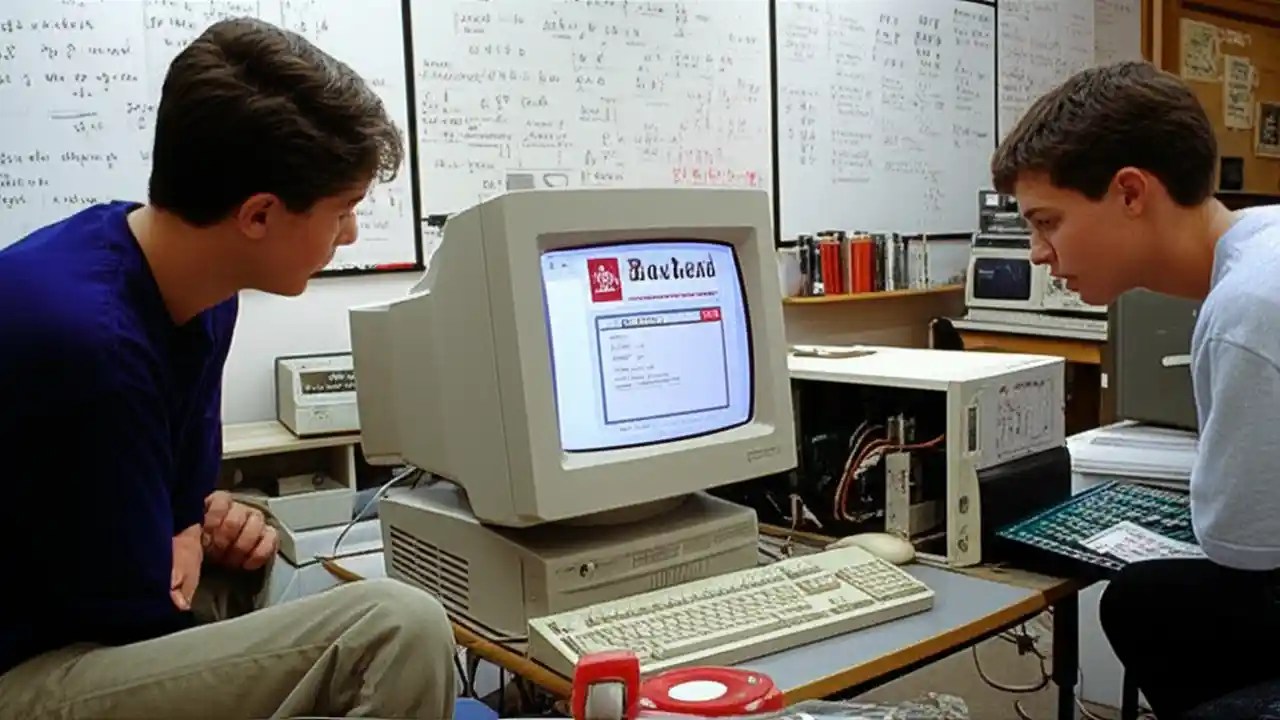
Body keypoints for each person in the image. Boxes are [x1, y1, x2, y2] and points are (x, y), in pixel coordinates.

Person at [0, 17, 456, 719]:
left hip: (94, 609)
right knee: (398, 630)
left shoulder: (189, 283)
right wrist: (197, 541)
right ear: (259, 215)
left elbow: (182, 511)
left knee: (258, 548)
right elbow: (150, 602)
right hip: (28, 666)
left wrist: (210, 529)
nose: (352, 235)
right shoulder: (88, 343)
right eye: (343, 210)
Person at [991, 59, 1280, 718]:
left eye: (1048, 222)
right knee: (1149, 600)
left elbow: (1243, 548)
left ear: (1129, 193)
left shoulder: (1247, 308)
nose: (1038, 252)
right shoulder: (1265, 246)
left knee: (1154, 604)